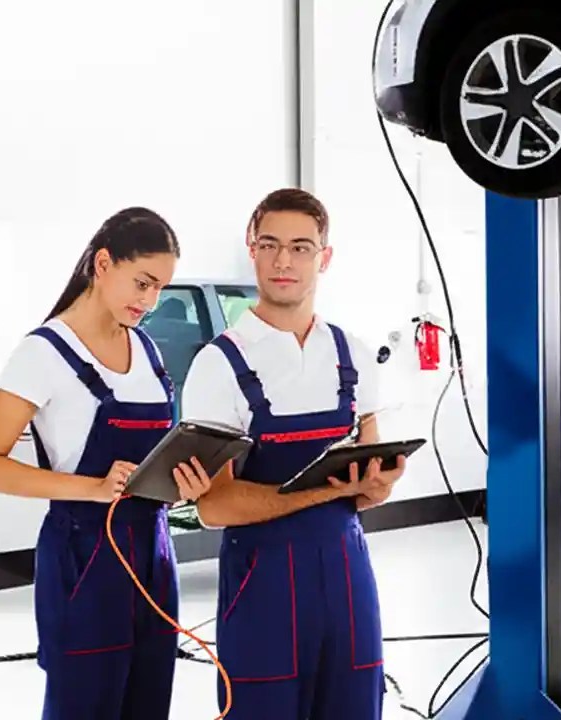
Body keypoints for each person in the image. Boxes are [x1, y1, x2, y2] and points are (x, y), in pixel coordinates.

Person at [0, 207, 211, 720]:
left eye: (160, 289)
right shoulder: (44, 353)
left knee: (149, 702)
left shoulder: (145, 348)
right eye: (142, 283)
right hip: (85, 557)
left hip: (154, 551)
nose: (150, 301)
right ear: (102, 264)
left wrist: (181, 479)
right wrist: (90, 487)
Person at [178, 188, 405, 719]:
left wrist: (375, 485)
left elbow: (371, 489)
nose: (284, 261)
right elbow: (215, 506)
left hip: (348, 576)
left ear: (324, 258)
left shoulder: (354, 353)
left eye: (301, 247)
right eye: (270, 244)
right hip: (262, 584)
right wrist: (329, 491)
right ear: (251, 249)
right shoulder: (220, 364)